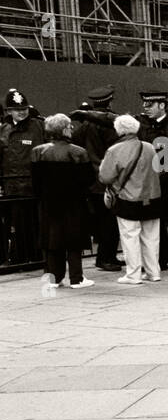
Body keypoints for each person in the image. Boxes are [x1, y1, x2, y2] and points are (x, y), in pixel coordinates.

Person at [31, 113, 95, 289]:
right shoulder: (78, 152)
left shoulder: (38, 151)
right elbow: (88, 179)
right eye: (69, 126)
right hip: (73, 203)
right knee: (73, 240)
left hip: (48, 204)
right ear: (64, 129)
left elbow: (35, 182)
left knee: (52, 241)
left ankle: (54, 278)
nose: (71, 128)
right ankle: (76, 278)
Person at [99, 114, 162, 285]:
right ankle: (153, 272)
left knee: (130, 237)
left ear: (119, 130)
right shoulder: (149, 147)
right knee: (151, 237)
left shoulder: (114, 150)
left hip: (128, 199)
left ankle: (133, 274)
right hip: (153, 198)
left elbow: (105, 177)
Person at [70, 85, 121, 271]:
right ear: (110, 101)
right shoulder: (110, 125)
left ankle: (107, 256)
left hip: (92, 180)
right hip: (108, 178)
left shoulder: (84, 126)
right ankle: (106, 257)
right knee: (111, 221)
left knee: (102, 221)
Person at [137, 89, 168, 272]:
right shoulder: (144, 127)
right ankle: (161, 258)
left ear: (162, 105)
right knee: (156, 224)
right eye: (145, 105)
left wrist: (159, 174)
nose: (146, 108)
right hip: (152, 185)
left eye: (150, 105)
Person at [1, 88, 45, 268]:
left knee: (36, 222)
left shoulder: (38, 126)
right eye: (17, 110)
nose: (22, 112)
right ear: (9, 111)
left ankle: (36, 256)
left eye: (24, 109)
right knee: (17, 225)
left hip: (34, 182)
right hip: (12, 184)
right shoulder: (3, 130)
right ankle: (19, 256)